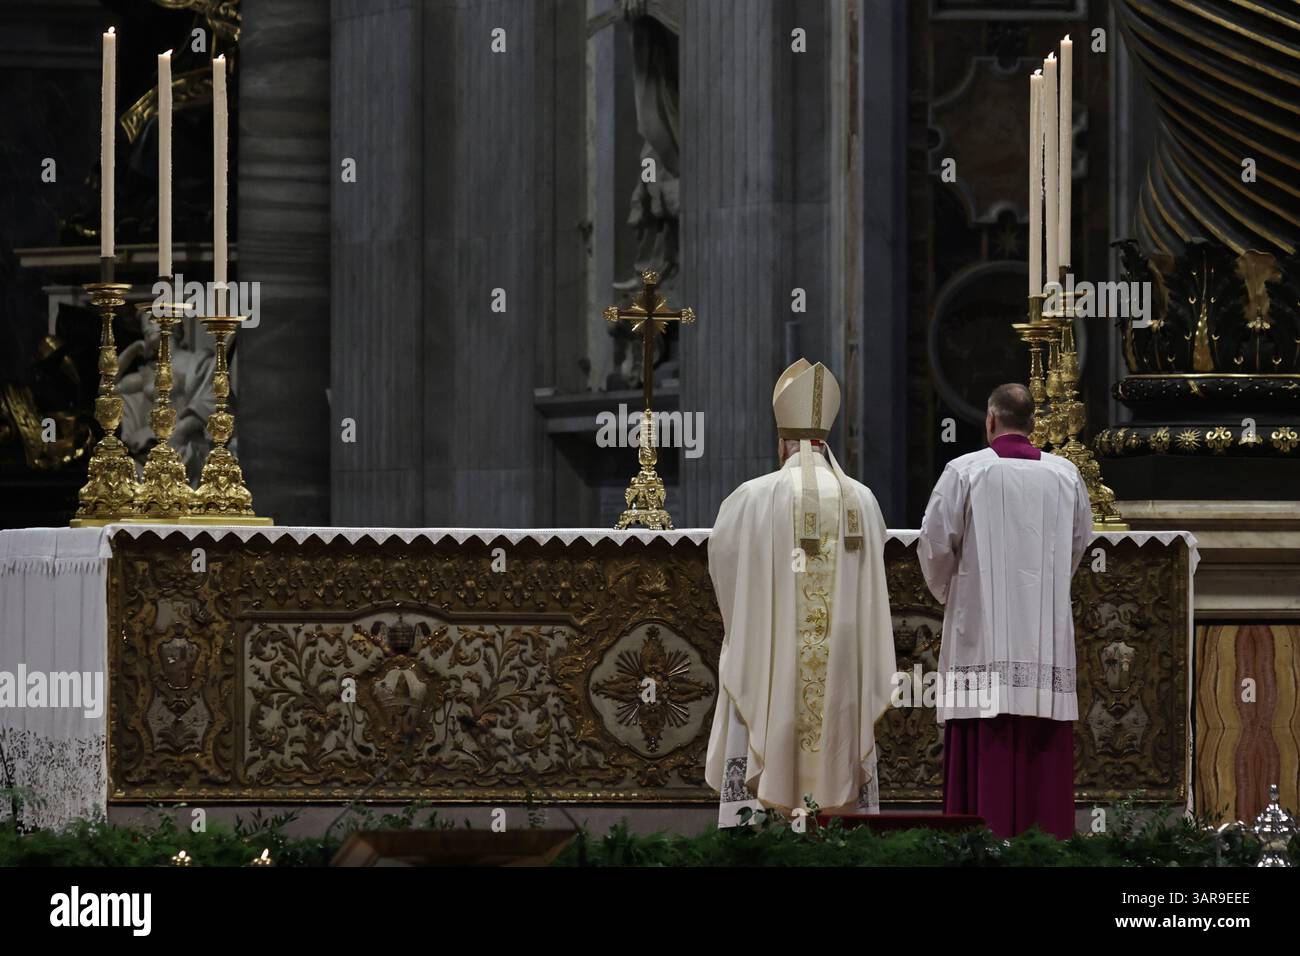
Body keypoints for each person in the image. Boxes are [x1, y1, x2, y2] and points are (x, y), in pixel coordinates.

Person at [705, 359, 896, 826]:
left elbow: (726, 572)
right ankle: (838, 826)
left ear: (782, 441)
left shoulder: (752, 496)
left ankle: (758, 830)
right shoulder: (863, 501)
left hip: (770, 669)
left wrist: (747, 633)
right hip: (843, 673)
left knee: (759, 682)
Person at [917, 383, 1091, 839]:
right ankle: (1047, 843)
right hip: (1043, 634)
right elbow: (1078, 544)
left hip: (982, 631)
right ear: (1034, 424)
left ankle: (978, 845)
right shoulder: (1066, 474)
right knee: (1041, 737)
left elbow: (934, 545)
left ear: (990, 420)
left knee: (984, 731)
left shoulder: (964, 471)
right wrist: (1047, 589)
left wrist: (951, 593)